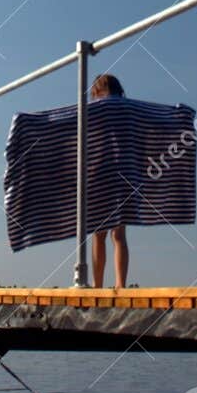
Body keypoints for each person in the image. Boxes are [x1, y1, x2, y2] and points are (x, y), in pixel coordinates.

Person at [89, 73, 130, 288]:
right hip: (122, 174)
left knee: (100, 234)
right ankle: (120, 285)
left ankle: (98, 286)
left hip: (101, 175)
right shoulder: (127, 112)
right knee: (118, 234)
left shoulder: (97, 112)